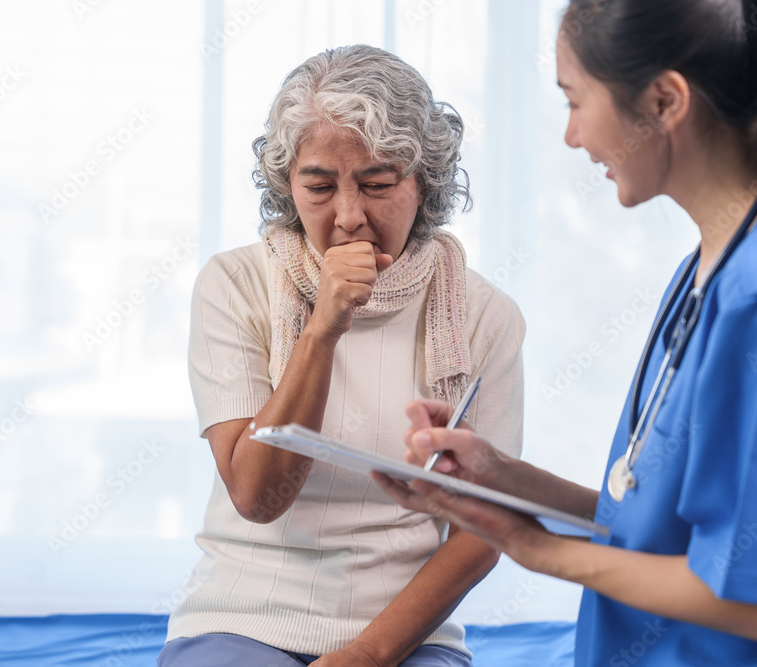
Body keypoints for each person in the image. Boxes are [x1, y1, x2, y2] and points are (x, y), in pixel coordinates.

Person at [374, 1, 757, 665]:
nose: (572, 135)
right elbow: (660, 525)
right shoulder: (711, 266)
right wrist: (504, 478)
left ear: (664, 101)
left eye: (575, 101)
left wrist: (537, 549)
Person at [158, 45, 526, 667]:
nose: (350, 217)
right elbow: (257, 496)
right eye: (320, 186)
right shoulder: (233, 285)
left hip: (405, 632)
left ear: (425, 182)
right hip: (242, 616)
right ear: (288, 186)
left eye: (378, 185)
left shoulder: (485, 314)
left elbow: (482, 530)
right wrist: (322, 330)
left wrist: (371, 653)